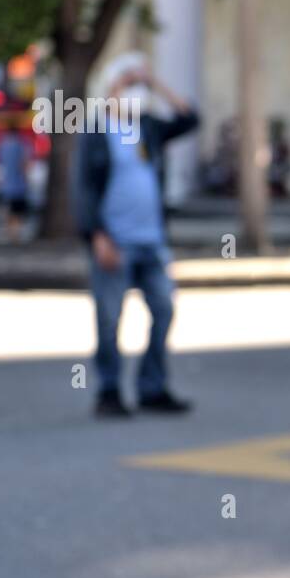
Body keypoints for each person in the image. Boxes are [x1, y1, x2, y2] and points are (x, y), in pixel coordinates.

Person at [73, 52, 198, 418]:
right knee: (110, 318)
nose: (134, 92)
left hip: (152, 241)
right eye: (128, 85)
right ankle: (109, 391)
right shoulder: (97, 131)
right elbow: (84, 188)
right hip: (115, 240)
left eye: (137, 86)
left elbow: (190, 118)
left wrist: (155, 83)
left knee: (163, 309)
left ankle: (152, 387)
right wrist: (96, 235)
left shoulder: (148, 128)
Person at [0, 127, 31, 242]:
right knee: (17, 211)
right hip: (18, 183)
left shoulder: (3, 145)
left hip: (7, 183)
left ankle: (10, 232)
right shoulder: (20, 145)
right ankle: (15, 234)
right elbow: (24, 163)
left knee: (10, 209)